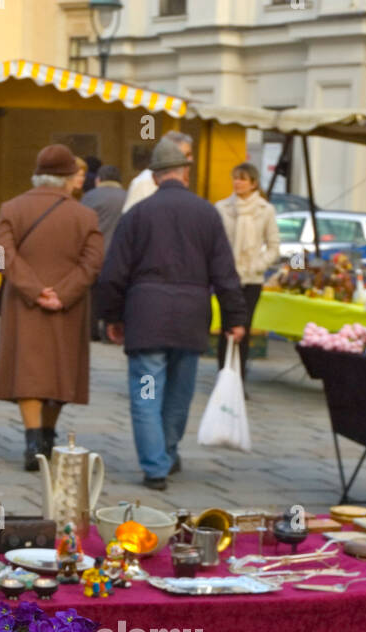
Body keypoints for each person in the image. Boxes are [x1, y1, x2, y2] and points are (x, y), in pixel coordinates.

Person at [97, 135, 247, 491]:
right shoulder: (206, 214)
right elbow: (225, 272)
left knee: (147, 394)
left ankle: (155, 466)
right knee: (179, 394)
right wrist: (235, 318)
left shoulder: (137, 215)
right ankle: (167, 451)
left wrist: (113, 317)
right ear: (184, 172)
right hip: (190, 323)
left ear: (154, 176)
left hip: (147, 322)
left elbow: (113, 274)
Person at [0, 144, 104, 471]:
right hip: (67, 308)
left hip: (23, 305)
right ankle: (47, 436)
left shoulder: (11, 208)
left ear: (37, 175)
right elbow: (94, 262)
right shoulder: (85, 216)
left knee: (28, 373)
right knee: (59, 374)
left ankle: (32, 438)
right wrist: (62, 293)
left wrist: (33, 288)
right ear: (69, 176)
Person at [215, 163, 281, 382]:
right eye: (235, 178)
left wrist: (258, 265)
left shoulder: (265, 210)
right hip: (228, 278)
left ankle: (238, 380)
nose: (237, 183)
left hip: (252, 279)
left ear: (253, 183)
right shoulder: (222, 208)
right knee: (226, 329)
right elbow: (217, 243)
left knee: (243, 329)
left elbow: (274, 247)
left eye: (243, 179)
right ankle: (223, 379)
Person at [83, 165, 127, 341]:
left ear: (98, 180)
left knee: (92, 295)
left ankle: (91, 331)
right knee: (117, 293)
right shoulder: (127, 197)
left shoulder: (90, 197)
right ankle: (113, 331)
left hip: (95, 252)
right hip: (119, 255)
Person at [122, 132, 193, 212]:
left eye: (190, 155)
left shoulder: (183, 179)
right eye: (186, 155)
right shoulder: (144, 182)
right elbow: (131, 216)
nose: (191, 159)